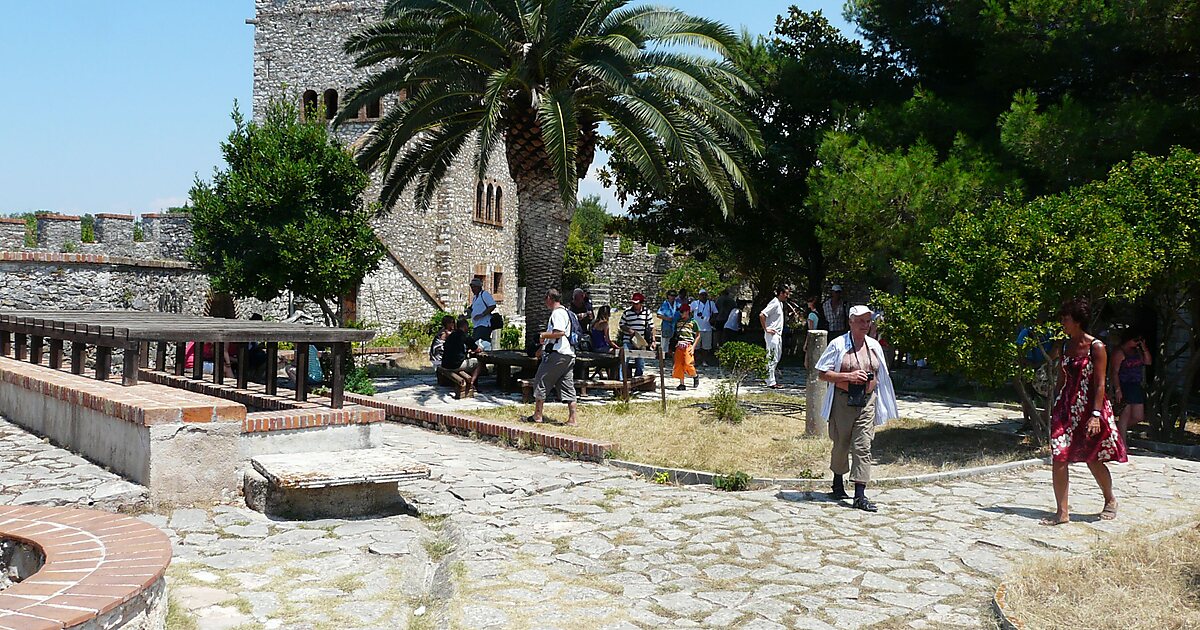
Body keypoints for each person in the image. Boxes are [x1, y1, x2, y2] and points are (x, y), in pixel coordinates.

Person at [1043, 298, 1127, 525]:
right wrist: (1053, 404)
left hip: (1091, 408)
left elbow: (1100, 383)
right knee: (1059, 456)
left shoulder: (1096, 347)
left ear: (1078, 321)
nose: (1063, 323)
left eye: (1066, 319)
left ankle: (1110, 499)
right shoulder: (1063, 346)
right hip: (1066, 408)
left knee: (1094, 458)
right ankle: (1062, 513)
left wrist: (1096, 415)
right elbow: (1062, 377)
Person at [815, 305, 900, 512]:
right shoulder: (838, 345)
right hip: (843, 402)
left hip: (867, 402)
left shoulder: (874, 346)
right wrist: (848, 377)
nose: (865, 325)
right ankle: (837, 480)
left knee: (863, 446)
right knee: (841, 444)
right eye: (861, 321)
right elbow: (822, 373)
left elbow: (881, 374)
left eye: (868, 321)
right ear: (851, 322)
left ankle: (859, 495)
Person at [527, 289, 577, 425]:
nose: (544, 301)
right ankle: (572, 419)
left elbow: (559, 332)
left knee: (541, 380)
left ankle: (538, 415)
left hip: (558, 354)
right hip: (569, 354)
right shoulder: (567, 312)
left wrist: (542, 335)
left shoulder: (557, 313)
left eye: (545, 298)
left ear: (550, 298)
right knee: (567, 386)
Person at [1110, 330, 1152, 442]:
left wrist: (1144, 347)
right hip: (1124, 384)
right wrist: (1118, 389)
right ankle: (1122, 444)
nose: (1137, 343)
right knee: (1125, 414)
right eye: (1135, 340)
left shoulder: (1137, 351)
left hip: (1136, 384)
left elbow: (1148, 362)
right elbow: (1114, 371)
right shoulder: (1120, 352)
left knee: (1139, 416)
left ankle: (1115, 431)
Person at [619, 292, 656, 378]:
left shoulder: (647, 312)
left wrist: (653, 340)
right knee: (624, 360)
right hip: (628, 339)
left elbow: (652, 327)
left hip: (640, 341)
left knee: (640, 362)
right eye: (634, 303)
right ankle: (621, 381)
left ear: (641, 303)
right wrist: (629, 330)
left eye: (637, 303)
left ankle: (637, 381)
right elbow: (621, 324)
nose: (635, 305)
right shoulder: (627, 312)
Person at [441, 317, 485, 389]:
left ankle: (470, 381)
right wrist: (478, 349)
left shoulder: (451, 335)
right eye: (467, 326)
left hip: (445, 364)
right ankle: (471, 383)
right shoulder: (464, 336)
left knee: (469, 362)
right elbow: (477, 349)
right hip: (455, 365)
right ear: (465, 326)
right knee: (479, 363)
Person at [760, 285, 789, 389]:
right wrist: (766, 328)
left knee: (776, 357)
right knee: (772, 357)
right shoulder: (775, 303)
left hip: (777, 334)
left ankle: (768, 377)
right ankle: (771, 381)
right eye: (786, 293)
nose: (787, 296)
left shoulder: (780, 304)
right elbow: (762, 314)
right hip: (772, 334)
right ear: (780, 293)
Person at [673, 304, 700, 390]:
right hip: (679, 345)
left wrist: (693, 347)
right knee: (678, 364)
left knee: (688, 363)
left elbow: (698, 335)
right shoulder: (678, 322)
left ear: (687, 312)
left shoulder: (693, 322)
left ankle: (695, 375)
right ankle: (681, 383)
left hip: (688, 345)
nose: (680, 313)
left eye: (682, 312)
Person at [690, 289, 719, 367]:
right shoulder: (695, 303)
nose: (703, 296)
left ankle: (704, 361)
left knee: (706, 347)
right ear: (699, 296)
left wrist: (712, 320)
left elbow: (716, 312)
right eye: (702, 295)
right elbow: (689, 312)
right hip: (697, 329)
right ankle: (695, 360)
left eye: (705, 295)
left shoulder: (711, 303)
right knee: (696, 346)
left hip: (707, 328)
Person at [467, 277, 497, 344]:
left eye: (474, 287)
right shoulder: (475, 297)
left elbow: (492, 305)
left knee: (482, 343)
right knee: (476, 342)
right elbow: (473, 308)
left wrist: (482, 314)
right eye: (471, 287)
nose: (472, 289)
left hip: (484, 325)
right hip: (476, 325)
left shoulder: (485, 294)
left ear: (478, 287)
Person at [656, 289, 682, 356]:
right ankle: (662, 357)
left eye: (674, 295)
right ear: (668, 296)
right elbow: (658, 315)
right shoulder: (665, 304)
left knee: (673, 342)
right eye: (671, 295)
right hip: (667, 326)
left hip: (675, 326)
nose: (673, 297)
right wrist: (667, 318)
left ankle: (669, 355)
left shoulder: (677, 304)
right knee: (664, 342)